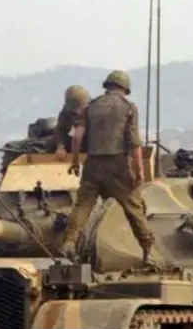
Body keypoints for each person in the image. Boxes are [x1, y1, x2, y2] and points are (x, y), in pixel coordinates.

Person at [62, 70, 156, 268]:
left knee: (82, 206)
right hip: (118, 165)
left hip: (93, 163)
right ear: (124, 88)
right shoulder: (129, 108)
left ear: (107, 86)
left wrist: (75, 162)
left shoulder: (91, 106)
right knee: (133, 207)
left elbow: (78, 136)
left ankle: (69, 242)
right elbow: (135, 144)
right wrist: (139, 172)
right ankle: (147, 251)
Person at [54, 85, 90, 160]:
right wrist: (60, 147)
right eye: (74, 109)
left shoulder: (94, 109)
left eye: (80, 107)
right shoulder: (66, 111)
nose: (77, 112)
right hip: (71, 142)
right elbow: (60, 128)